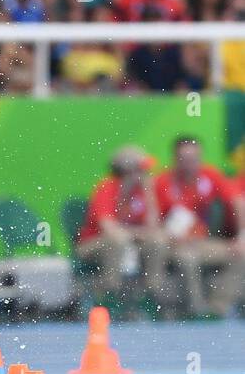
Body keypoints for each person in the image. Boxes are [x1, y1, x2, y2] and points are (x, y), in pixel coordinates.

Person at [153, 136, 245, 318]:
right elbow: (152, 222)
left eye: (194, 159)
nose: (190, 164)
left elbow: (237, 201)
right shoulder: (162, 182)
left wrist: (242, 236)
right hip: (174, 245)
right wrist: (167, 235)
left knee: (240, 253)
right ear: (175, 159)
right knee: (188, 259)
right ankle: (196, 311)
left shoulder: (210, 176)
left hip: (201, 243)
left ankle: (219, 308)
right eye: (184, 159)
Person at [75, 145, 170, 317]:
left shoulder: (143, 191)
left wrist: (149, 193)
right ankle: (110, 296)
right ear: (128, 171)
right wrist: (140, 234)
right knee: (118, 242)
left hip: (129, 241)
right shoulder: (107, 188)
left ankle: (151, 295)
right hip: (93, 245)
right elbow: (110, 230)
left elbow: (154, 228)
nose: (146, 175)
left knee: (157, 242)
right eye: (142, 170)